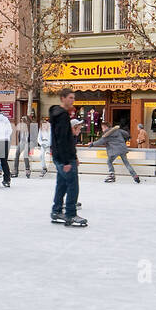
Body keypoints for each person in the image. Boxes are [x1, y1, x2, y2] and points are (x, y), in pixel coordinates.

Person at [49, 89, 86, 227]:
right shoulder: (62, 116)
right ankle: (70, 213)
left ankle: (57, 211)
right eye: (70, 97)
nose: (72, 100)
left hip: (62, 156)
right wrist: (66, 160)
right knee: (73, 185)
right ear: (62, 98)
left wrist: (74, 156)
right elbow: (62, 139)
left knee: (62, 184)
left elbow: (67, 139)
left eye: (73, 98)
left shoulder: (59, 114)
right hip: (64, 158)